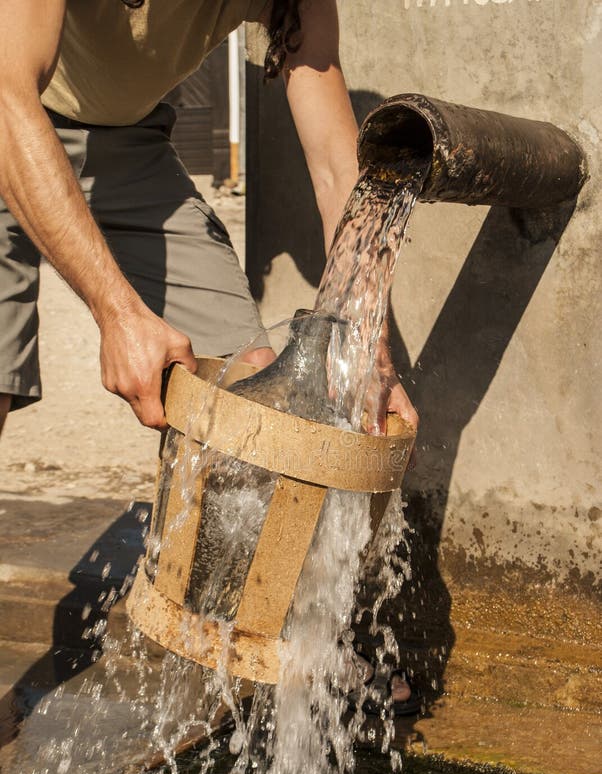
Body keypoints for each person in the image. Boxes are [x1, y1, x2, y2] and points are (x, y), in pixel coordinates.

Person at [0, 0, 417, 707]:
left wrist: (366, 336)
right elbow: (8, 93)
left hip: (125, 145)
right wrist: (117, 311)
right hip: (8, 107)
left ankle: (279, 643)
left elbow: (333, 167)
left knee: (254, 407)